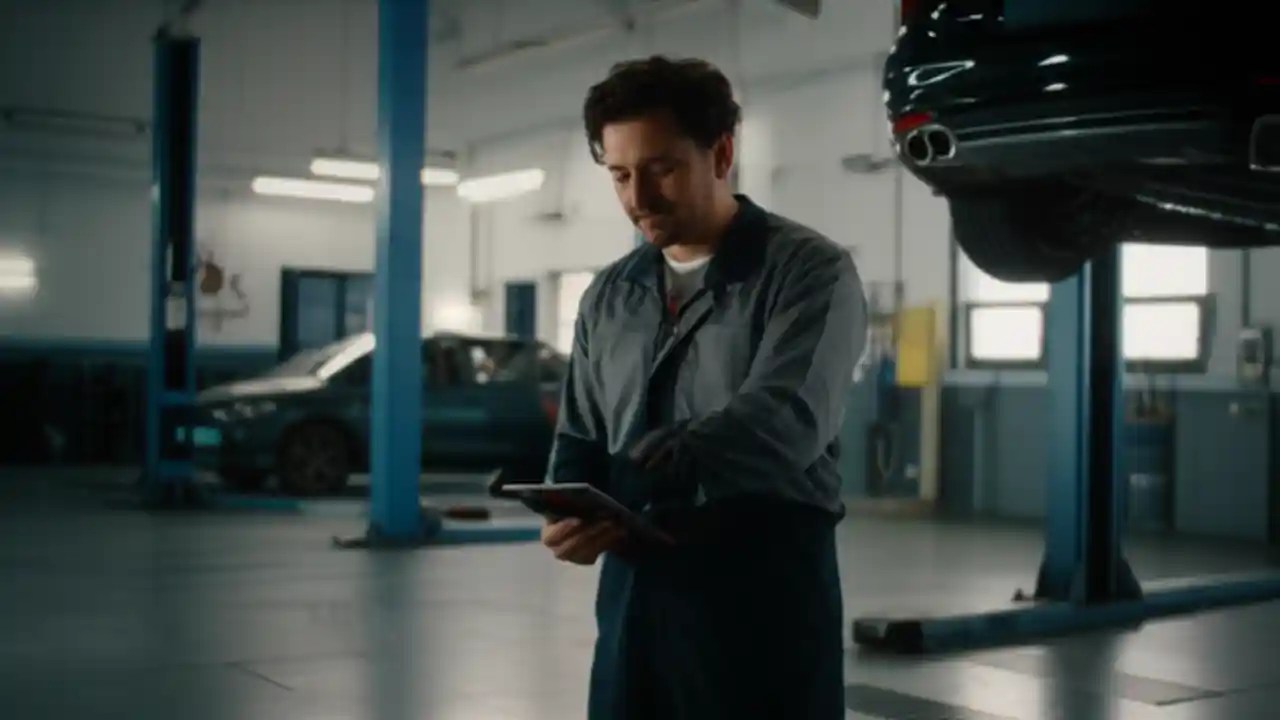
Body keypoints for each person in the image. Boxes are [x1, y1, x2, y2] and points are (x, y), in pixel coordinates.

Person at [539, 55, 868, 719]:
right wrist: (566, 512)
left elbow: (786, 422)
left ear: (721, 154)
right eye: (619, 174)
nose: (638, 197)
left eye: (660, 168)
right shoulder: (610, 295)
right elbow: (580, 429)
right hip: (636, 595)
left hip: (759, 592)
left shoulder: (808, 273)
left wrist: (645, 472)